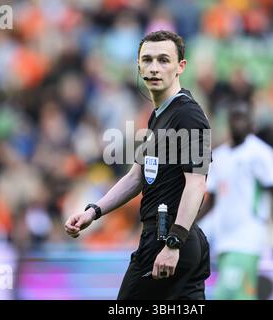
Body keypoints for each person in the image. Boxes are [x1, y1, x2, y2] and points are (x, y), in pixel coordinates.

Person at [64, 30, 212, 300]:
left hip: (170, 239)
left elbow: (197, 183)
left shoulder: (188, 115)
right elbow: (136, 177)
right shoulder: (159, 117)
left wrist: (173, 243)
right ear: (138, 66)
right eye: (148, 60)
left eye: (164, 60)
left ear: (181, 67)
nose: (154, 67)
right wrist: (93, 212)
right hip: (165, 239)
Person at [197, 102, 273, 300]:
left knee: (226, 294)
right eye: (235, 117)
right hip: (224, 240)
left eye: (243, 117)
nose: (239, 122)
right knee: (239, 295)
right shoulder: (219, 157)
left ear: (252, 123)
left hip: (248, 237)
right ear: (228, 122)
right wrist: (189, 226)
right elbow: (212, 201)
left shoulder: (261, 154)